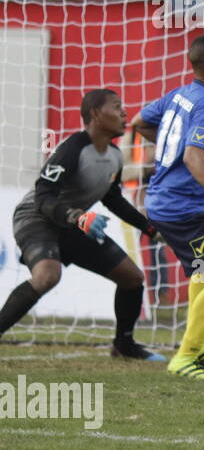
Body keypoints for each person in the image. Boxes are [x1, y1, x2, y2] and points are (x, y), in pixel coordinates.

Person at [0, 90, 159, 358]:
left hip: (73, 222)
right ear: (96, 114)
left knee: (132, 278)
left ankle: (123, 345)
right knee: (47, 276)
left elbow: (112, 199)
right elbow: (43, 196)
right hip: (36, 217)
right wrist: (78, 217)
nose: (124, 112)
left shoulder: (115, 156)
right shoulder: (73, 149)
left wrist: (151, 228)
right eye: (116, 106)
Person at [129, 36, 204, 381]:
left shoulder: (179, 95)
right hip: (180, 208)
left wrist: (169, 146)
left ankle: (196, 347)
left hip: (164, 201)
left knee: (201, 271)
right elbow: (193, 156)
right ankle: (184, 356)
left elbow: (138, 121)